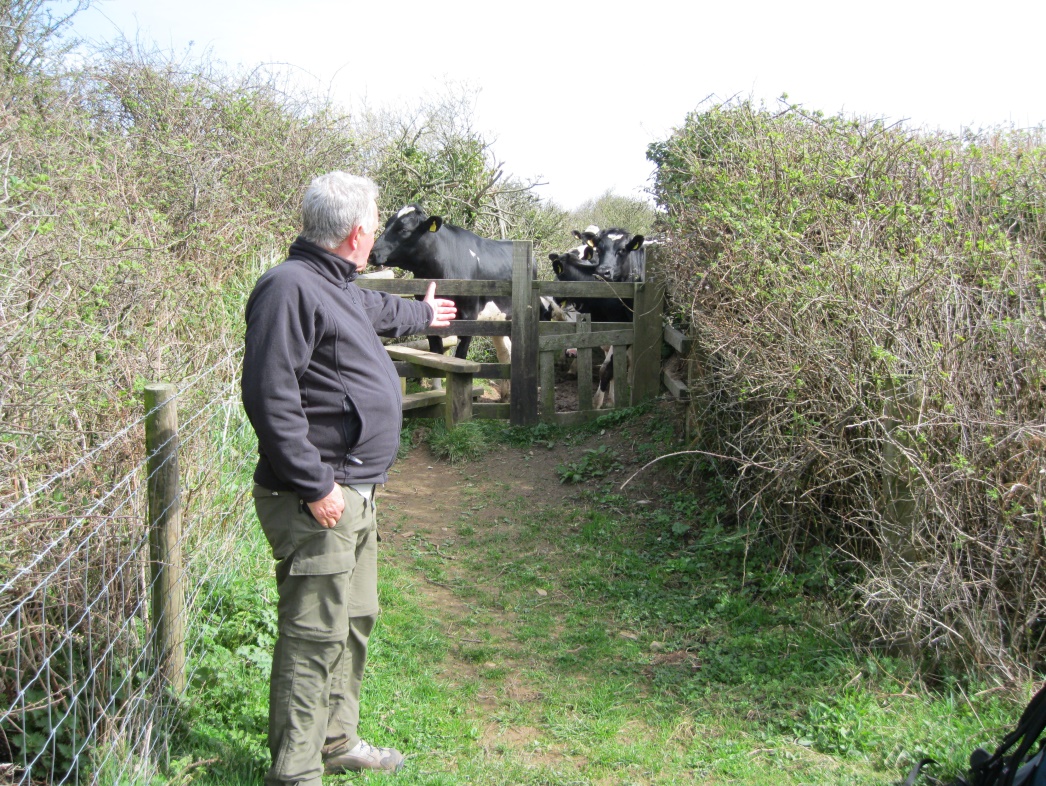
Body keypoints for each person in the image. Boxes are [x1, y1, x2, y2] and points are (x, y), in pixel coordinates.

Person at [241, 171, 456, 784]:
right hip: (318, 497)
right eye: (377, 222)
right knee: (312, 634)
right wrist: (315, 484)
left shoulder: (335, 283)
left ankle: (336, 741)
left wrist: (422, 313)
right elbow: (268, 395)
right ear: (359, 233)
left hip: (354, 491)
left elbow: (377, 309)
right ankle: (296, 769)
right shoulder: (289, 288)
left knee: (354, 617)